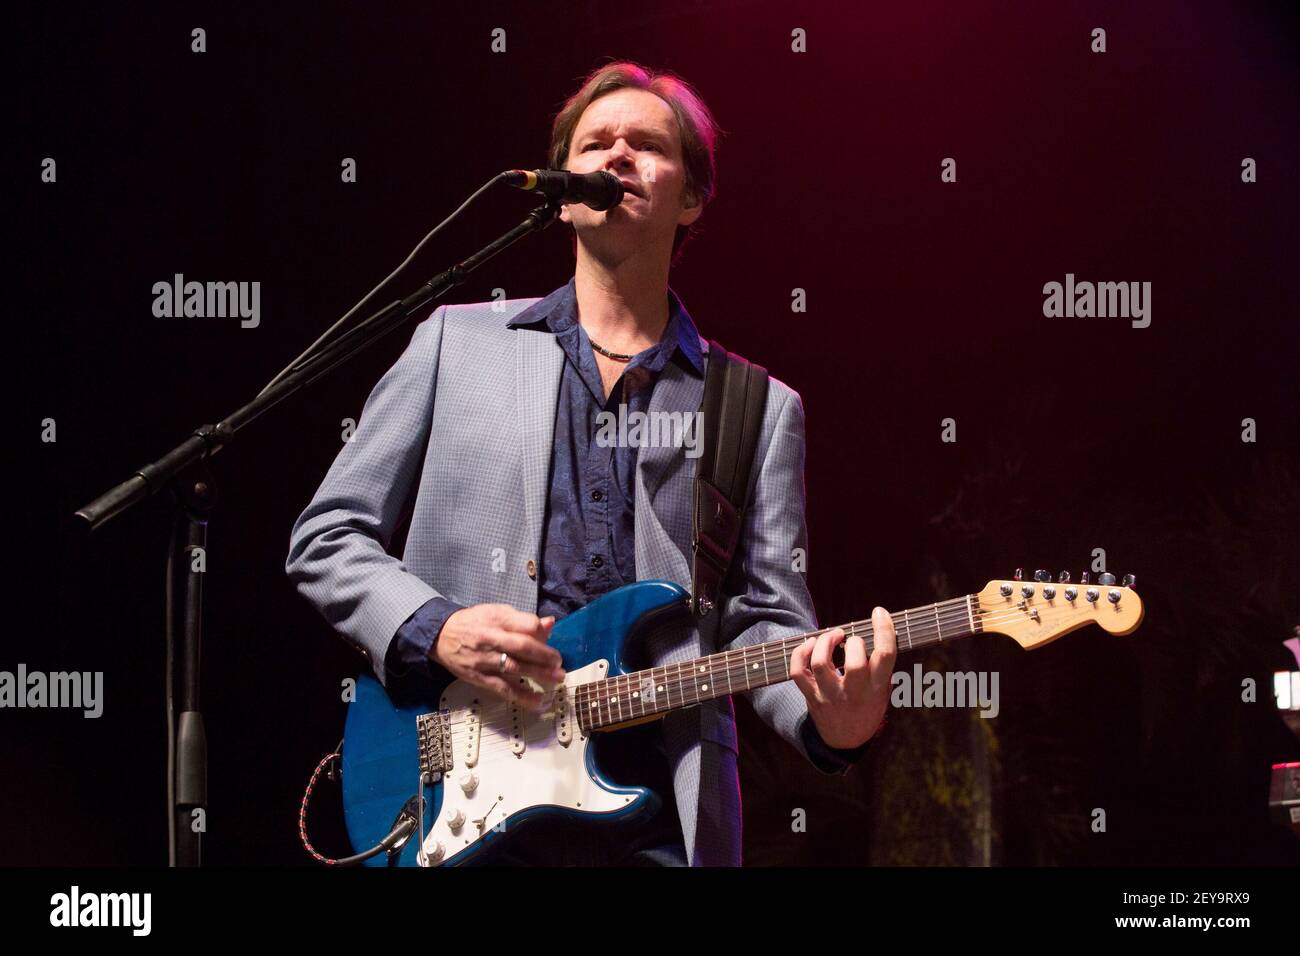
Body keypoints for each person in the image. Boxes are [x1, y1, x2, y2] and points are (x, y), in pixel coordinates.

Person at [286, 61, 897, 866]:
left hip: (657, 816)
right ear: (563, 191)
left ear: (691, 197)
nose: (615, 157)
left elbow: (765, 621)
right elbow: (327, 536)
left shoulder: (756, 407)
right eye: (594, 145)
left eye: (645, 145)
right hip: (456, 794)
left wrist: (835, 723)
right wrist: (438, 630)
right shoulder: (453, 343)